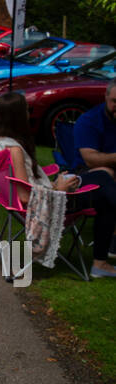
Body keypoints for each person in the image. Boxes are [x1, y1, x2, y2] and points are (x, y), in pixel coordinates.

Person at [0, 92, 83, 277]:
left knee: (81, 178)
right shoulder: (14, 149)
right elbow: (24, 195)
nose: (27, 113)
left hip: (11, 199)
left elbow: (23, 184)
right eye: (25, 109)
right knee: (94, 192)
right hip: (31, 205)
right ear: (17, 116)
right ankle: (101, 258)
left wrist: (54, 185)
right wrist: (59, 191)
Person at [69, 81, 116, 276]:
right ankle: (108, 249)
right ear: (105, 97)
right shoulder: (89, 120)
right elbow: (90, 160)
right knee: (106, 174)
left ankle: (107, 252)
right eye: (115, 101)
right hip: (84, 176)